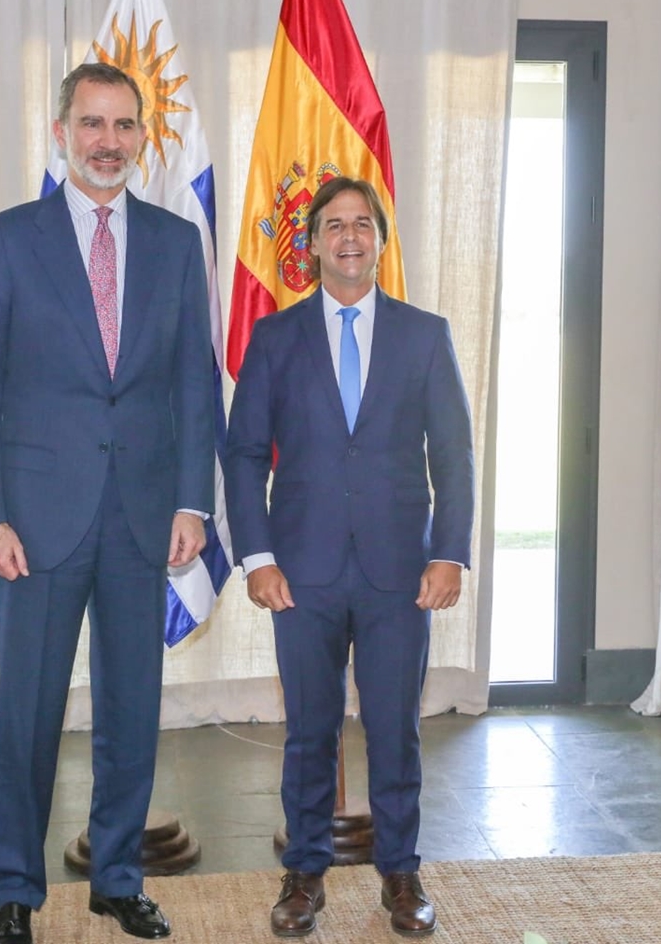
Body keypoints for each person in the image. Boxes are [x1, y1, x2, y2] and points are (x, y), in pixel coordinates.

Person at [0, 62, 215, 944]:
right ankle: (14, 892)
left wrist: (194, 502)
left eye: (124, 126)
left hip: (144, 517)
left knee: (132, 711)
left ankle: (117, 877)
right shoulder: (10, 238)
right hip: (34, 523)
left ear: (143, 137)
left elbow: (194, 386)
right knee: (27, 711)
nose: (108, 142)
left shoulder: (179, 244)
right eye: (92, 124)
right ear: (62, 132)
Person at [225, 176, 474, 937]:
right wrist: (257, 556)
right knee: (309, 728)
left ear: (381, 239)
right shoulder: (274, 337)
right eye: (333, 226)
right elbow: (242, 455)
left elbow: (454, 454)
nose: (349, 237)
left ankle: (401, 875)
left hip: (403, 572)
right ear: (311, 245)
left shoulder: (424, 334)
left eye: (362, 224)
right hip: (300, 573)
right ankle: (304, 873)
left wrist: (450, 553)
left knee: (395, 726)